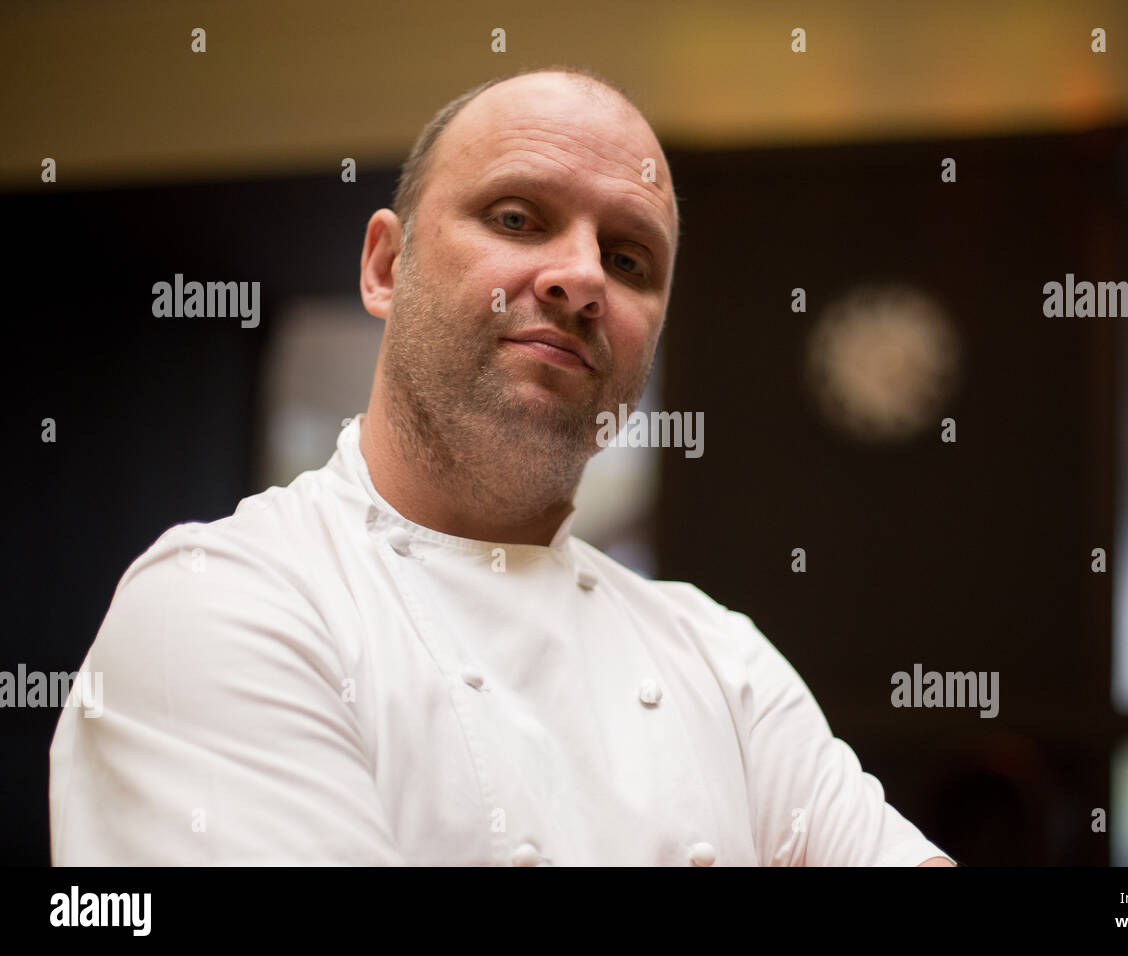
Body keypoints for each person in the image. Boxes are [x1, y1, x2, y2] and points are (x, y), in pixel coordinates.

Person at [49, 66, 955, 867]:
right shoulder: (224, 602)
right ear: (385, 267)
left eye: (629, 258)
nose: (582, 277)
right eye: (518, 218)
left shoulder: (720, 658)